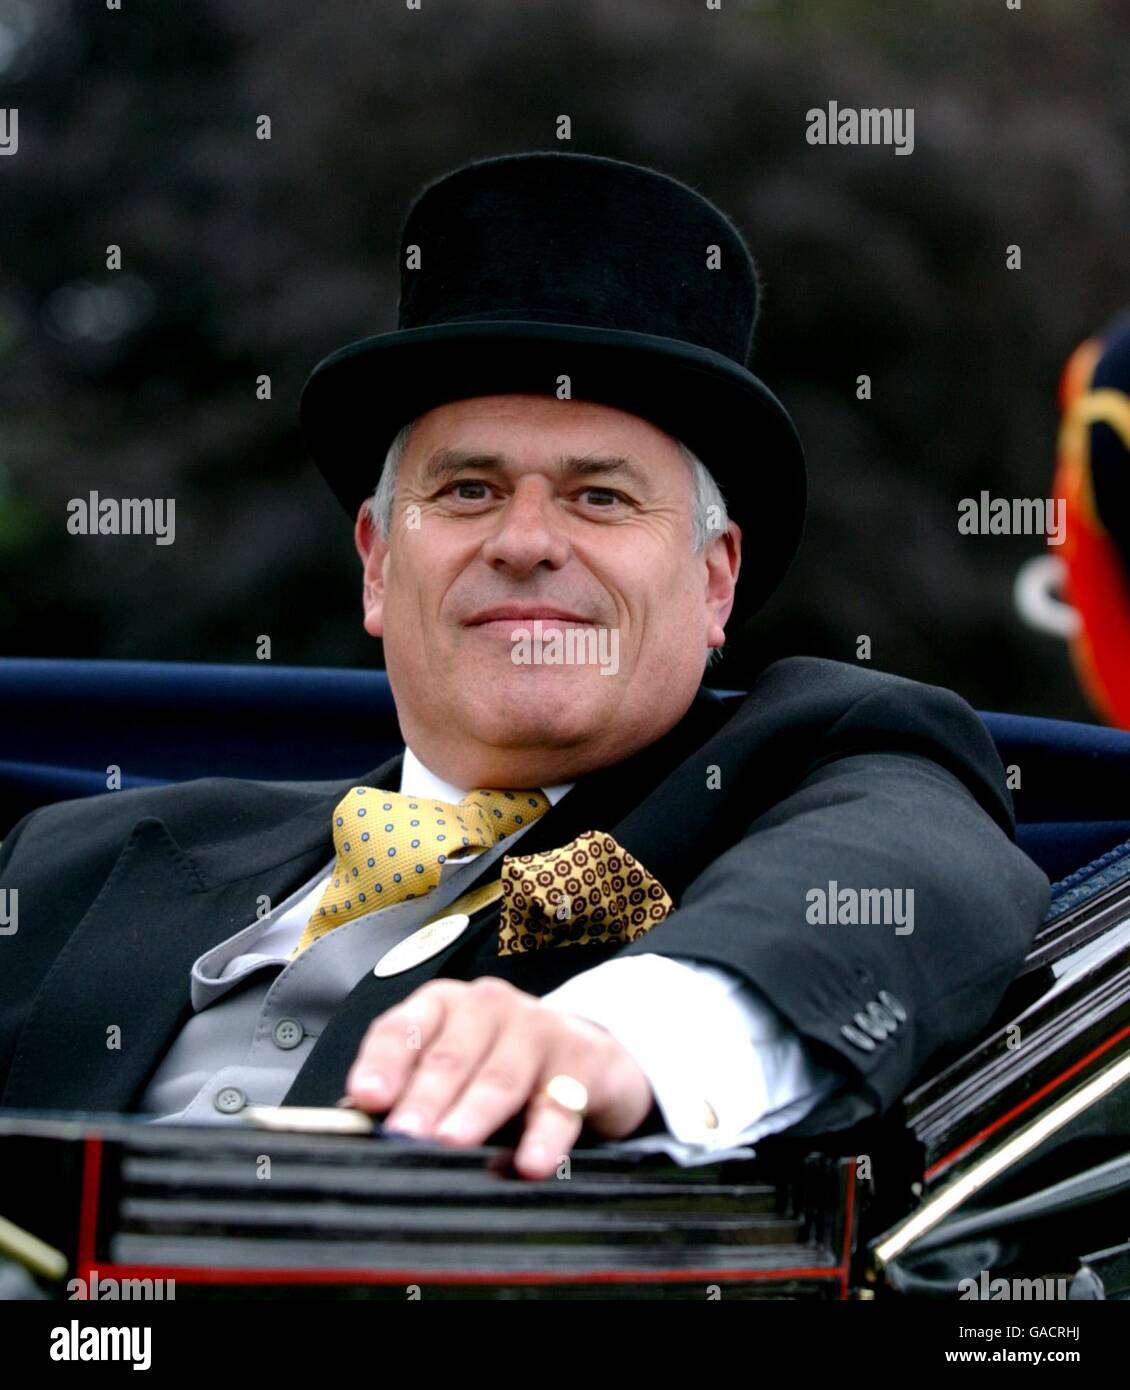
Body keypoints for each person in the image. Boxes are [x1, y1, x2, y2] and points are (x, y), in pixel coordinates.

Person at [0, 152, 1049, 1180]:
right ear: (374, 564)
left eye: (599, 497)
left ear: (714, 580)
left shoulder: (825, 772)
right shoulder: (64, 853)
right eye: (466, 491)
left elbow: (907, 874)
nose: (524, 540)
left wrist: (614, 1041)